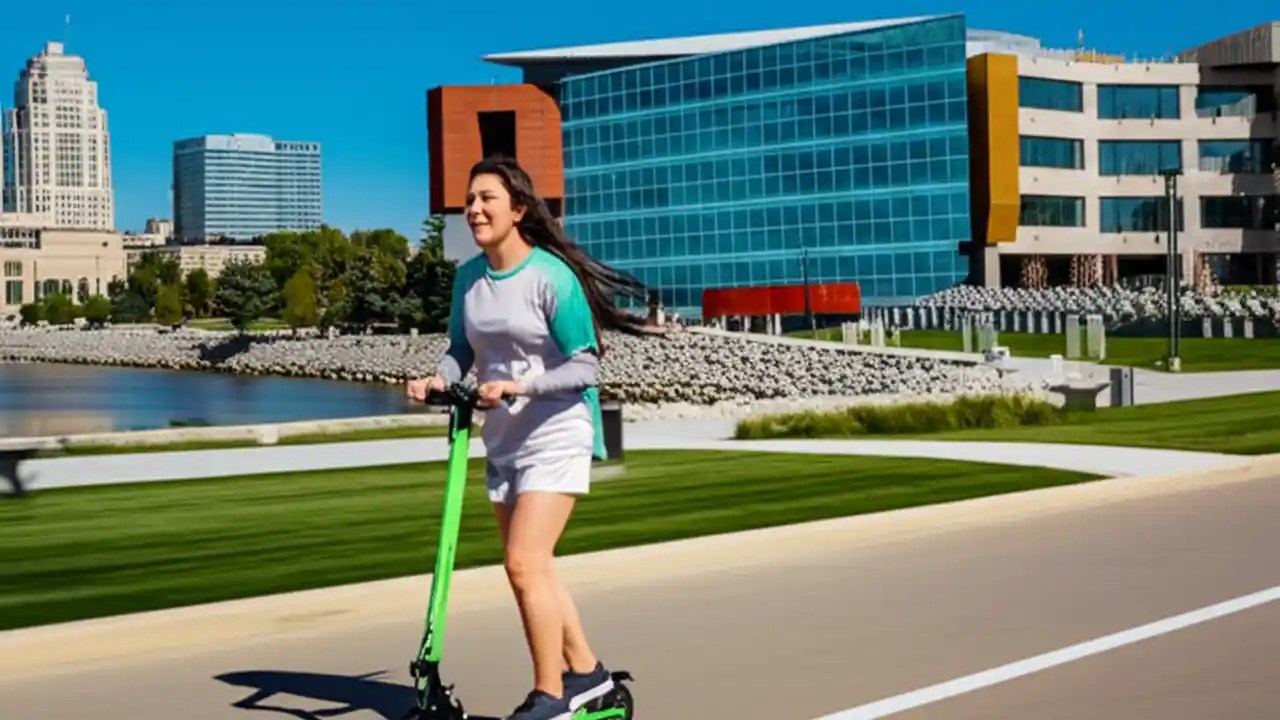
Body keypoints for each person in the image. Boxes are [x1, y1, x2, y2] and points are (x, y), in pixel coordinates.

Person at [406, 155, 649, 720]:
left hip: (558, 428)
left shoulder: (550, 277)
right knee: (532, 571)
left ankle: (552, 694)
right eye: (469, 200)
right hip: (505, 438)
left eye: (486, 198)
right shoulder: (469, 279)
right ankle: (590, 677)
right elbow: (461, 352)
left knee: (522, 562)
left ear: (517, 209)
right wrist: (438, 380)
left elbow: (585, 367)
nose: (473, 209)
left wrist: (520, 386)